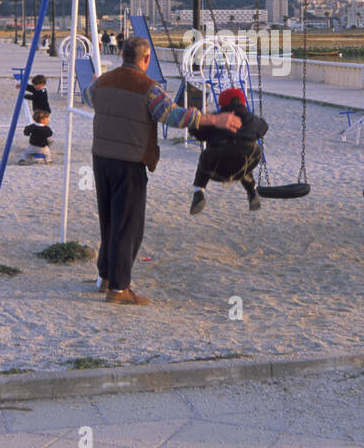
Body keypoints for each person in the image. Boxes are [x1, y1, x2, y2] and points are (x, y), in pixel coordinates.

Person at [84, 36, 241, 306]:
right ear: (145, 59)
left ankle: (106, 277)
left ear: (122, 54)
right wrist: (215, 119)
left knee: (109, 221)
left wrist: (98, 80)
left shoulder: (103, 82)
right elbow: (173, 116)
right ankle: (120, 289)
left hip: (101, 157)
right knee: (129, 227)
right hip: (130, 160)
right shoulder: (148, 88)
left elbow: (88, 97)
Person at [189, 87, 268, 214]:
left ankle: (199, 192)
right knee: (245, 154)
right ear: (243, 103)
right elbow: (264, 128)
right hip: (243, 167)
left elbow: (195, 131)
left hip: (216, 169)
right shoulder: (252, 120)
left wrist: (201, 118)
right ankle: (252, 191)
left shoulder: (216, 120)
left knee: (205, 156)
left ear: (222, 104)